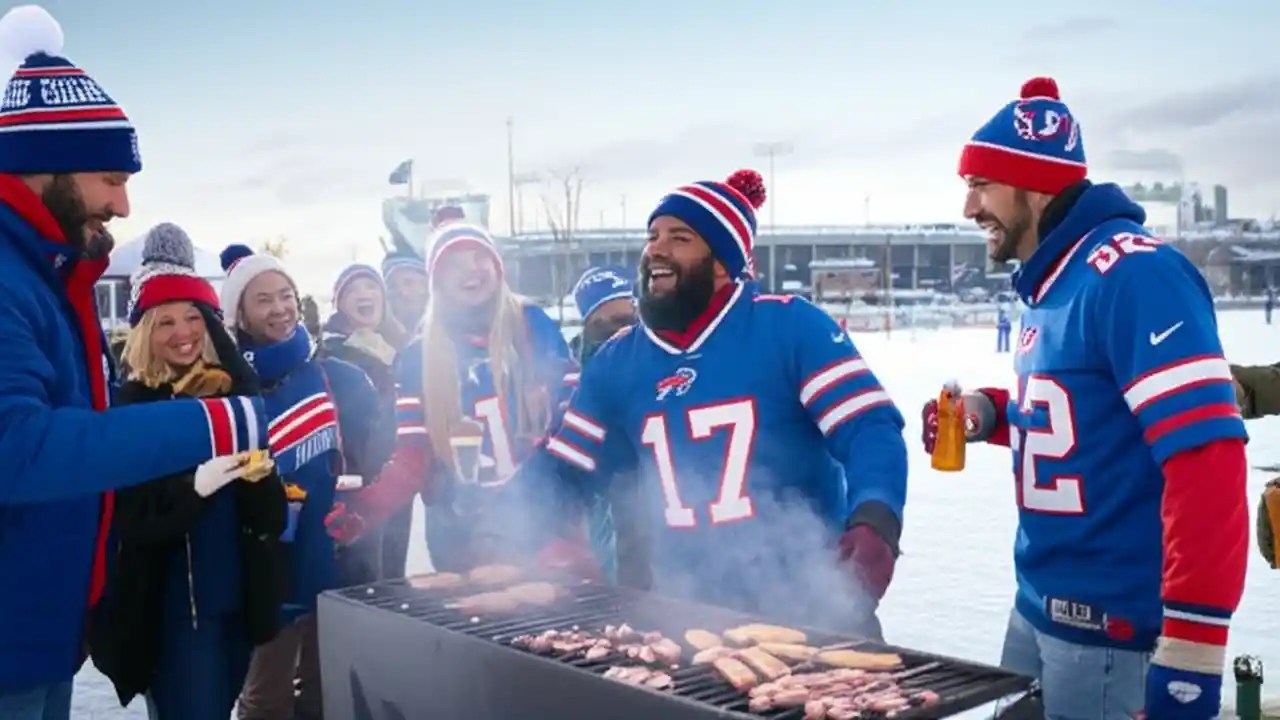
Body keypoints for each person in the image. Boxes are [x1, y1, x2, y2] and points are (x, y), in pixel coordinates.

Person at [920, 77, 1247, 719]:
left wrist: (1194, 650)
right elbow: (1087, 425)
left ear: (1032, 185)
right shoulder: (1053, 279)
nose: (969, 208)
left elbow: (1206, 461)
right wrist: (989, 414)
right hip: (1039, 605)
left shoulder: (1135, 274)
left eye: (980, 185)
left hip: (1112, 634)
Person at [0, 8, 266, 719]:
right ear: (43, 166)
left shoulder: (50, 273)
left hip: (40, 626)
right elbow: (16, 447)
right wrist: (217, 424)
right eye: (111, 178)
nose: (124, 204)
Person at [520, 169, 907, 638]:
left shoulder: (789, 327)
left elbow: (869, 428)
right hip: (687, 617)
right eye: (653, 236)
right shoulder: (619, 361)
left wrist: (875, 520)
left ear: (722, 263)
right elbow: (570, 470)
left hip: (811, 607)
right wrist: (552, 530)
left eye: (679, 238)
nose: (656, 249)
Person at [89, 225, 287, 720]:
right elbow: (131, 522)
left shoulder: (233, 400)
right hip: (176, 614)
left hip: (236, 602)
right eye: (166, 321)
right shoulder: (132, 406)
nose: (183, 333)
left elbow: (270, 519)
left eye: (194, 317)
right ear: (145, 332)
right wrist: (193, 489)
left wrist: (262, 479)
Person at [330, 219, 578, 574]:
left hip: (544, 520)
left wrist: (559, 520)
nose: (470, 271)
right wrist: (365, 508)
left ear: (496, 264)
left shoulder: (532, 325)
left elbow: (574, 429)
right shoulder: (420, 354)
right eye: (454, 264)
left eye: (478, 257)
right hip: (462, 530)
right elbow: (412, 454)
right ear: (438, 281)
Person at [218, 245, 393, 720]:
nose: (279, 308)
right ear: (239, 313)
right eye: (263, 300)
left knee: (327, 685)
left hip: (333, 551)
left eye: (286, 295)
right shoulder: (225, 385)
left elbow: (380, 455)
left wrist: (361, 505)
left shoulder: (339, 378)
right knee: (265, 694)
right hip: (263, 560)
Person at [317, 263, 407, 581]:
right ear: (339, 304)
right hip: (359, 487)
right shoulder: (332, 354)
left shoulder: (398, 350)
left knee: (393, 575)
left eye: (371, 287)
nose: (364, 295)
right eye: (352, 290)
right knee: (366, 579)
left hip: (398, 480)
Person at [569, 265, 651, 588]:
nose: (625, 330)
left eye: (633, 319)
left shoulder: (652, 355)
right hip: (601, 488)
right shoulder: (571, 368)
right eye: (614, 321)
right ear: (590, 323)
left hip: (648, 487)